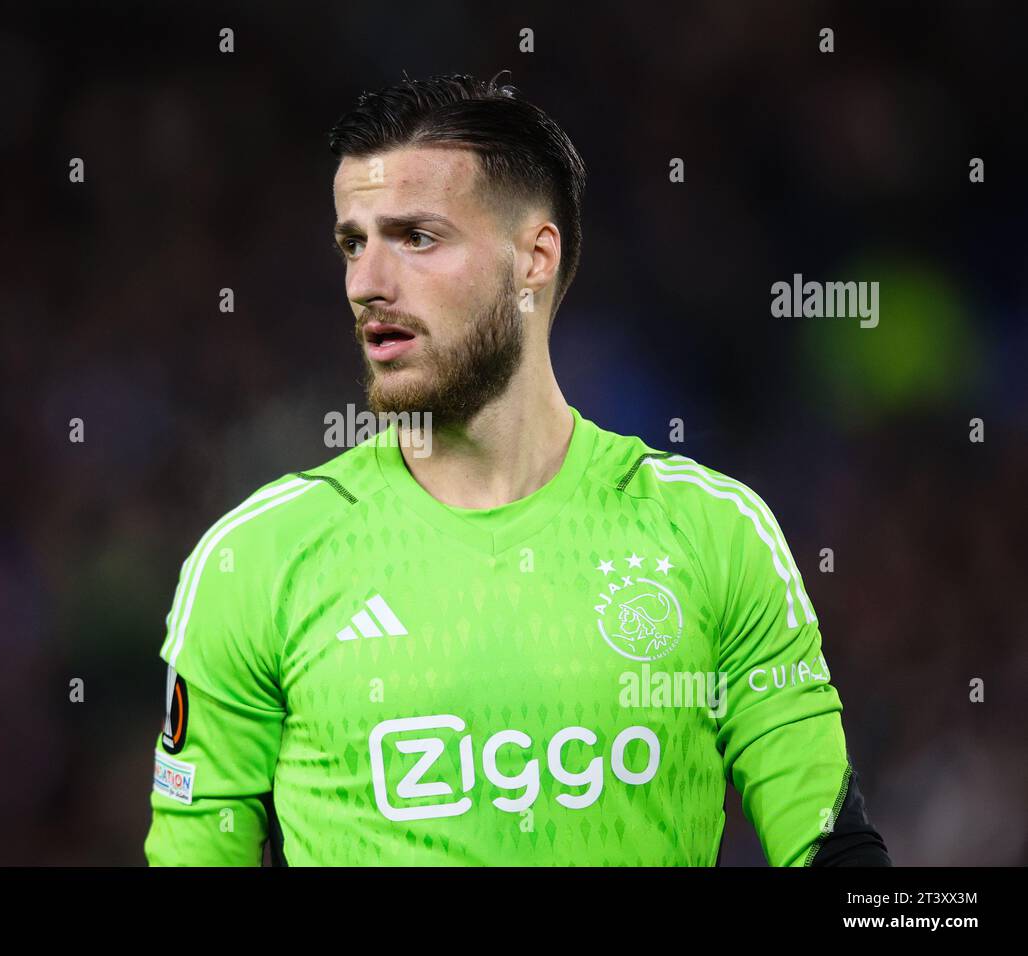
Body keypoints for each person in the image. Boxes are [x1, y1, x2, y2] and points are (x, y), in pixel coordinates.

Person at [145, 72, 890, 866]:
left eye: (417, 238)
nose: (366, 284)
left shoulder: (713, 535)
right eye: (353, 243)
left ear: (534, 258)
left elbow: (833, 852)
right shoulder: (256, 559)